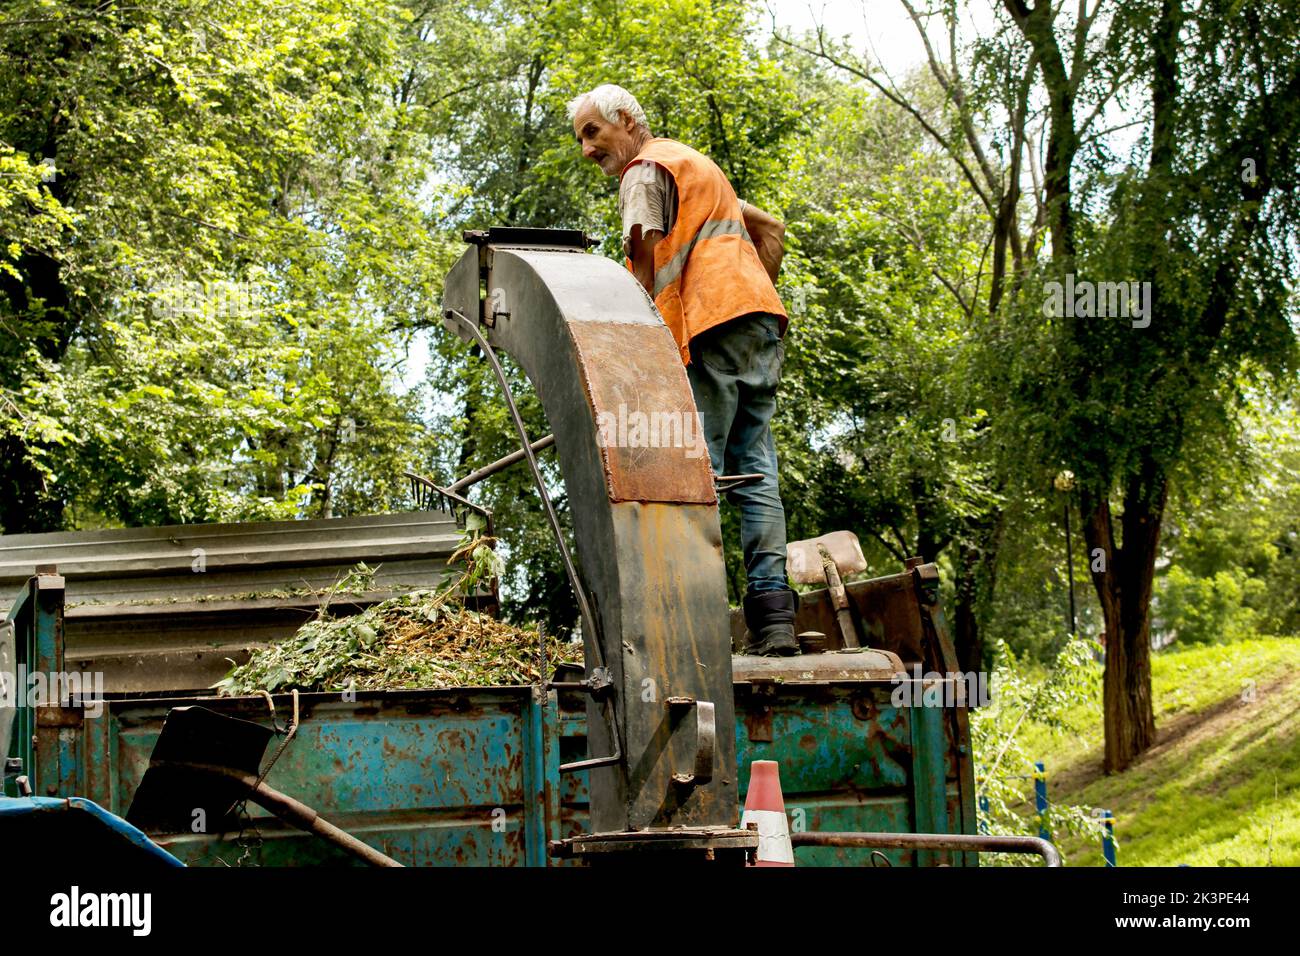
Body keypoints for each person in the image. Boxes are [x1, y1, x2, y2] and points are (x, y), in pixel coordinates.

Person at [567, 83, 799, 657]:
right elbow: (772, 229)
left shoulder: (643, 174)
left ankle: (692, 623)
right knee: (756, 470)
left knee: (699, 469)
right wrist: (749, 297)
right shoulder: (697, 166)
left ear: (625, 119)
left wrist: (631, 363)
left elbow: (641, 274)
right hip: (759, 322)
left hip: (712, 327)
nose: (587, 150)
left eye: (592, 133)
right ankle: (773, 620)